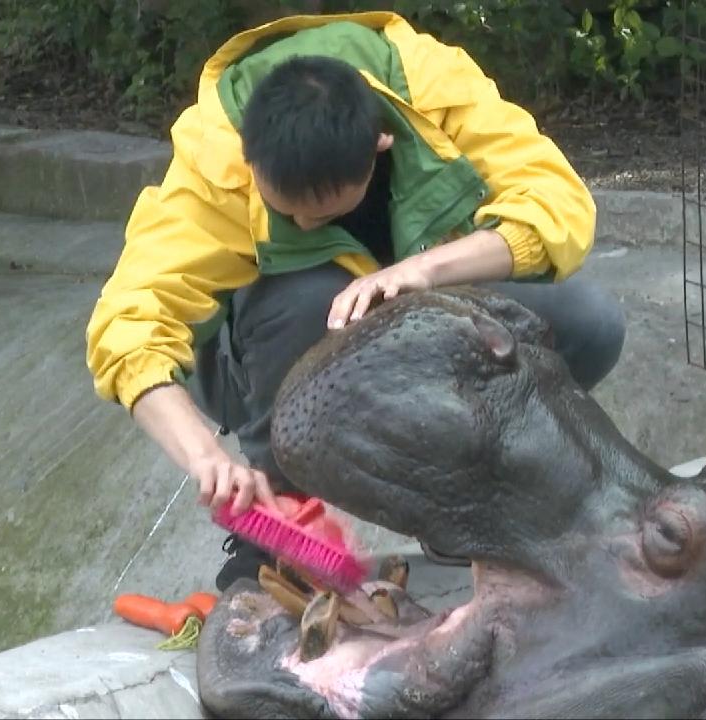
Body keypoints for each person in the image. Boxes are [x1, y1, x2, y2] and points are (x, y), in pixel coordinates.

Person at [84, 11, 626, 591]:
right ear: (250, 159)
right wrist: (206, 460)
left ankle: (461, 503)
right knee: (306, 296)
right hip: (260, 356)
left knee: (589, 322)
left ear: (381, 143)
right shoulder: (215, 156)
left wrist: (423, 269)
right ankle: (276, 529)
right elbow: (127, 323)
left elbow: (559, 204)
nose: (301, 224)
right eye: (286, 209)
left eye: (322, 213)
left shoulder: (432, 84)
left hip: (422, 316)